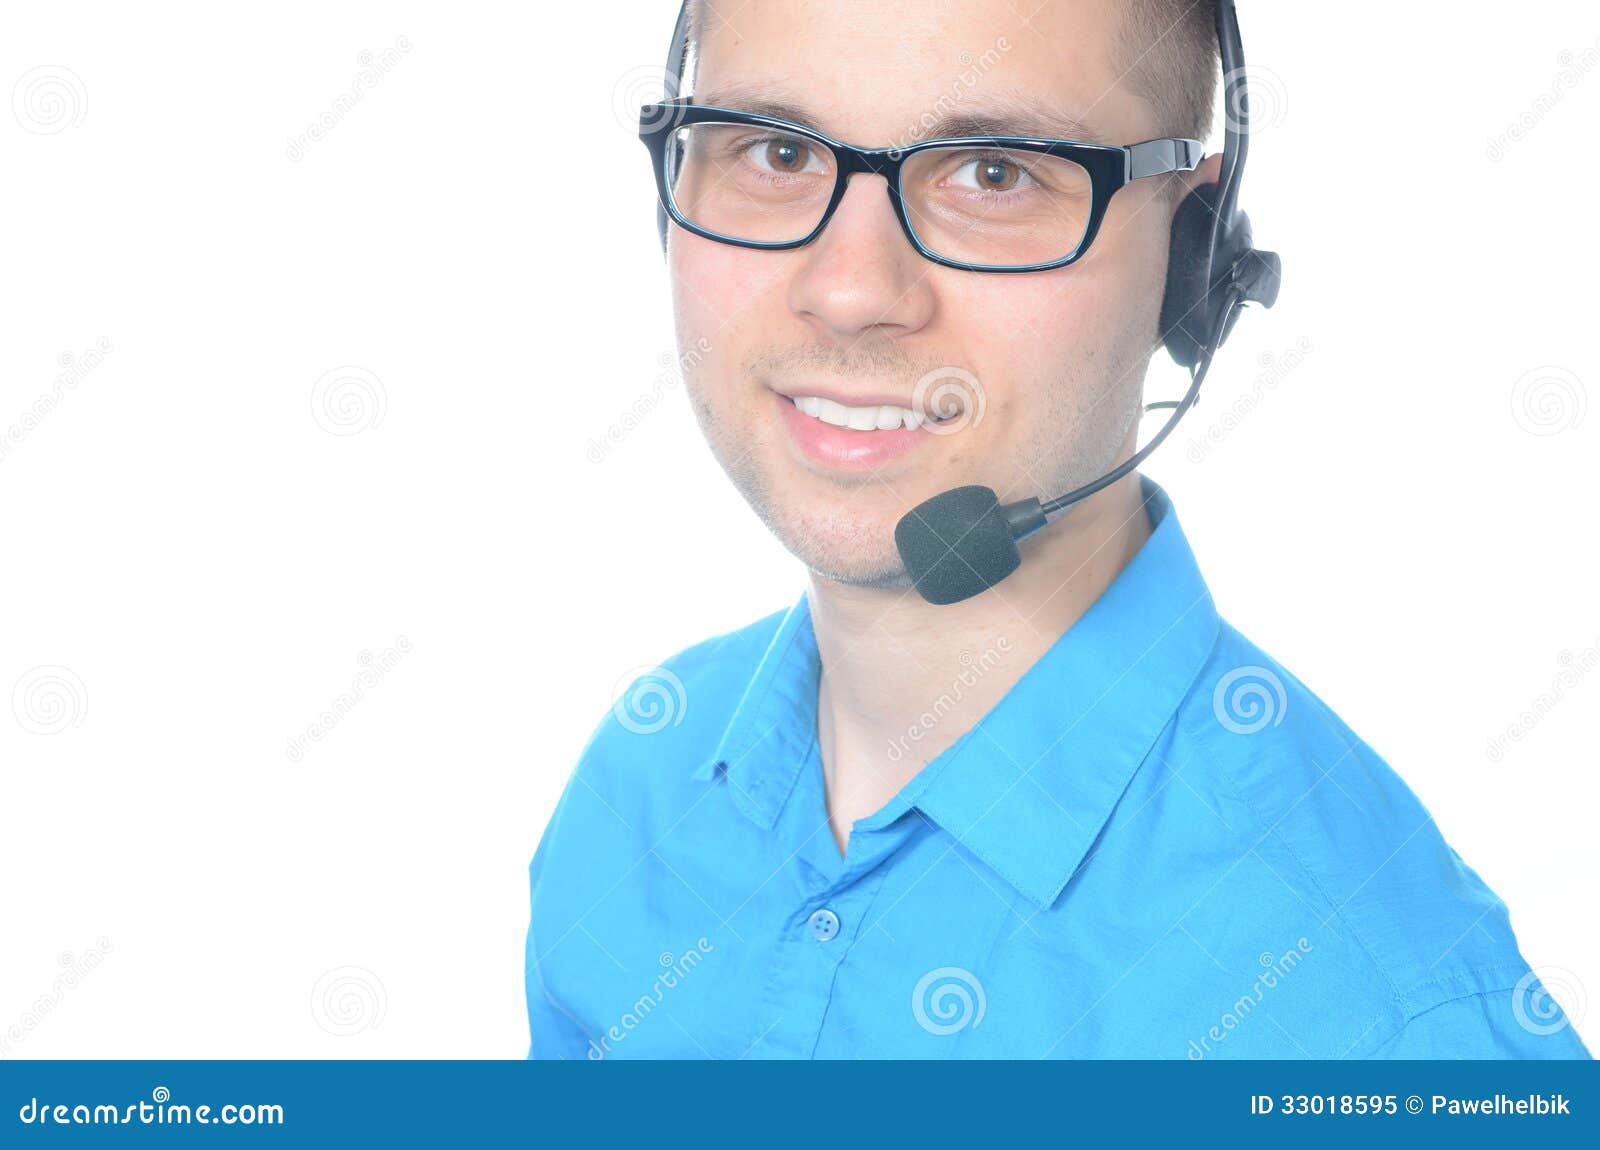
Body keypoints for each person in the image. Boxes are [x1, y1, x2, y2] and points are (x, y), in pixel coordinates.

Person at [524, 0, 1590, 1059]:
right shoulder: (640, 782)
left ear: (1192, 255)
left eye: (994, 172)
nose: (849, 291)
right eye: (773, 149)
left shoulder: (1377, 1019)